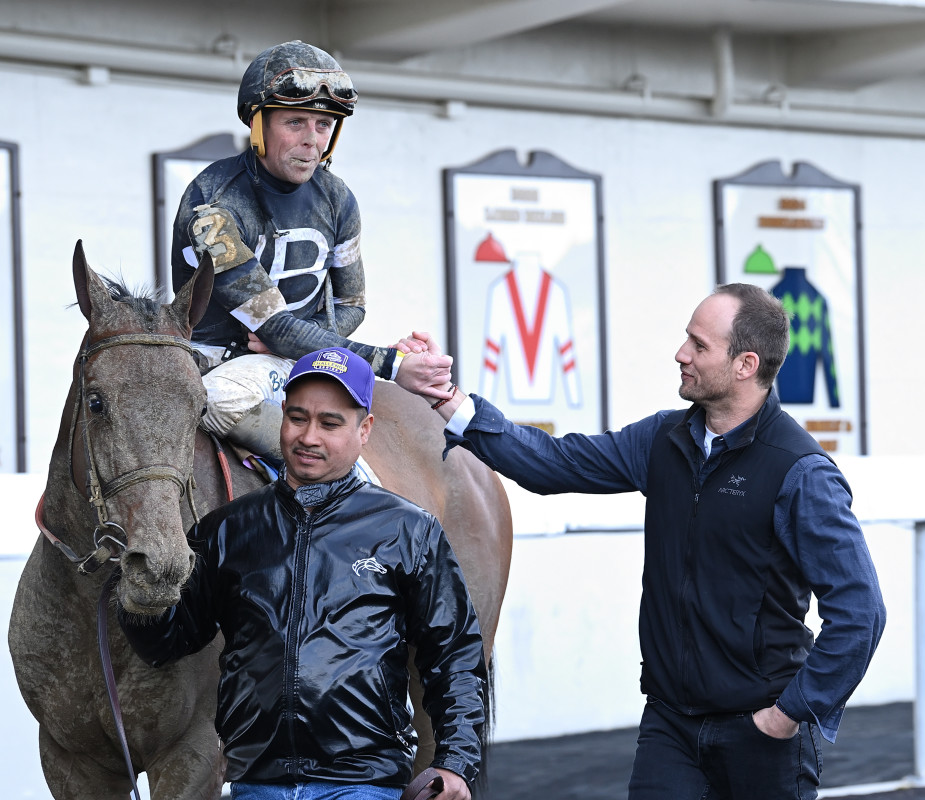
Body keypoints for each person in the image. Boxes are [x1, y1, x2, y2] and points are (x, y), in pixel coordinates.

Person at [396, 283, 886, 799]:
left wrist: (791, 713)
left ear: (745, 364)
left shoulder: (800, 470)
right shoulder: (662, 439)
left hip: (761, 734)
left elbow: (860, 611)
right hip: (669, 726)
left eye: (699, 346)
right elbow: (554, 463)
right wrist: (449, 402)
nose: (681, 354)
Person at [118, 347, 486, 800]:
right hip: (257, 785)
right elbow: (168, 643)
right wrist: (138, 593)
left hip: (363, 787)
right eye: (297, 418)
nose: (309, 436)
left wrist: (456, 763)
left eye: (330, 424)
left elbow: (455, 658)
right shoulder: (226, 530)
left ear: (364, 430)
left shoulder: (409, 530)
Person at [171, 40, 451, 459]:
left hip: (293, 361)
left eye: (323, 125)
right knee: (214, 397)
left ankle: (349, 498)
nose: (312, 140)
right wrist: (392, 365)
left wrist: (297, 343)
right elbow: (275, 327)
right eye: (295, 122)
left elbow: (351, 305)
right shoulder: (211, 204)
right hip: (214, 367)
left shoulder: (339, 199)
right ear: (259, 123)